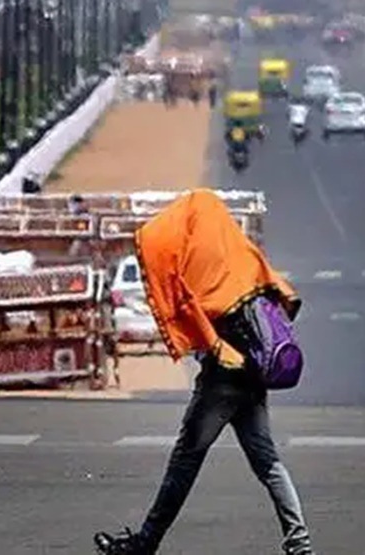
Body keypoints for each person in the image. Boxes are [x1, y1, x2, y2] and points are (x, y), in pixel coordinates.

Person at [93, 190, 315, 555]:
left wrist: (217, 350)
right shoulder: (241, 254)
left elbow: (193, 315)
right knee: (267, 461)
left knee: (186, 459)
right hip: (254, 376)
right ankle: (300, 545)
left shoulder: (200, 264)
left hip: (223, 379)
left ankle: (145, 544)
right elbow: (282, 295)